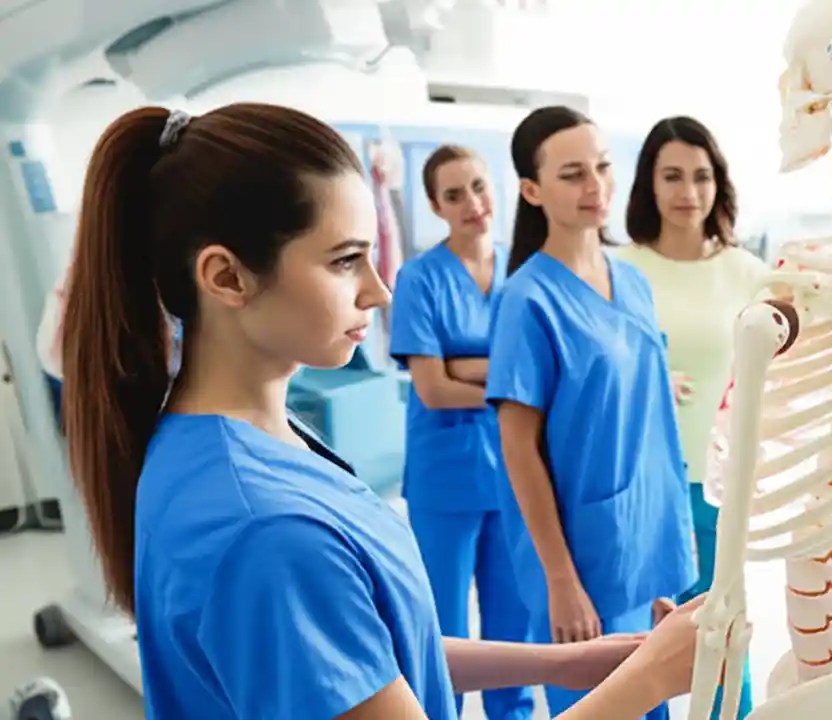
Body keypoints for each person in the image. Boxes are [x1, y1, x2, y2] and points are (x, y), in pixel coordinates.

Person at [58, 101, 705, 720]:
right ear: (227, 278)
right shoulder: (266, 533)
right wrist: (648, 678)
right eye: (345, 261)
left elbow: (376, 653)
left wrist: (569, 663)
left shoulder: (258, 444)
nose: (379, 287)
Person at [485, 105, 698, 719]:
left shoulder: (632, 282)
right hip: (588, 558)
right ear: (532, 190)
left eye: (602, 167)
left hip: (651, 541)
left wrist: (673, 529)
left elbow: (645, 407)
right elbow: (518, 449)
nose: (596, 186)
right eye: (573, 173)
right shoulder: (528, 300)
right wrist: (560, 580)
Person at [614, 115, 766, 719]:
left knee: (724, 637)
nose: (688, 192)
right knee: (643, 646)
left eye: (701, 176)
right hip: (639, 484)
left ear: (719, 183)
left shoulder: (752, 274)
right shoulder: (619, 270)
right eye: (671, 176)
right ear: (648, 185)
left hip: (720, 484)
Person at [389, 144, 533, 718]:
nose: (472, 203)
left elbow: (540, 373)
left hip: (517, 474)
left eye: (478, 186)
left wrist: (462, 363)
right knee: (443, 629)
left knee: (512, 629)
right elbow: (433, 389)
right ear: (435, 206)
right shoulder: (419, 279)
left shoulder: (522, 272)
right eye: (454, 194)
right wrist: (507, 382)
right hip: (444, 477)